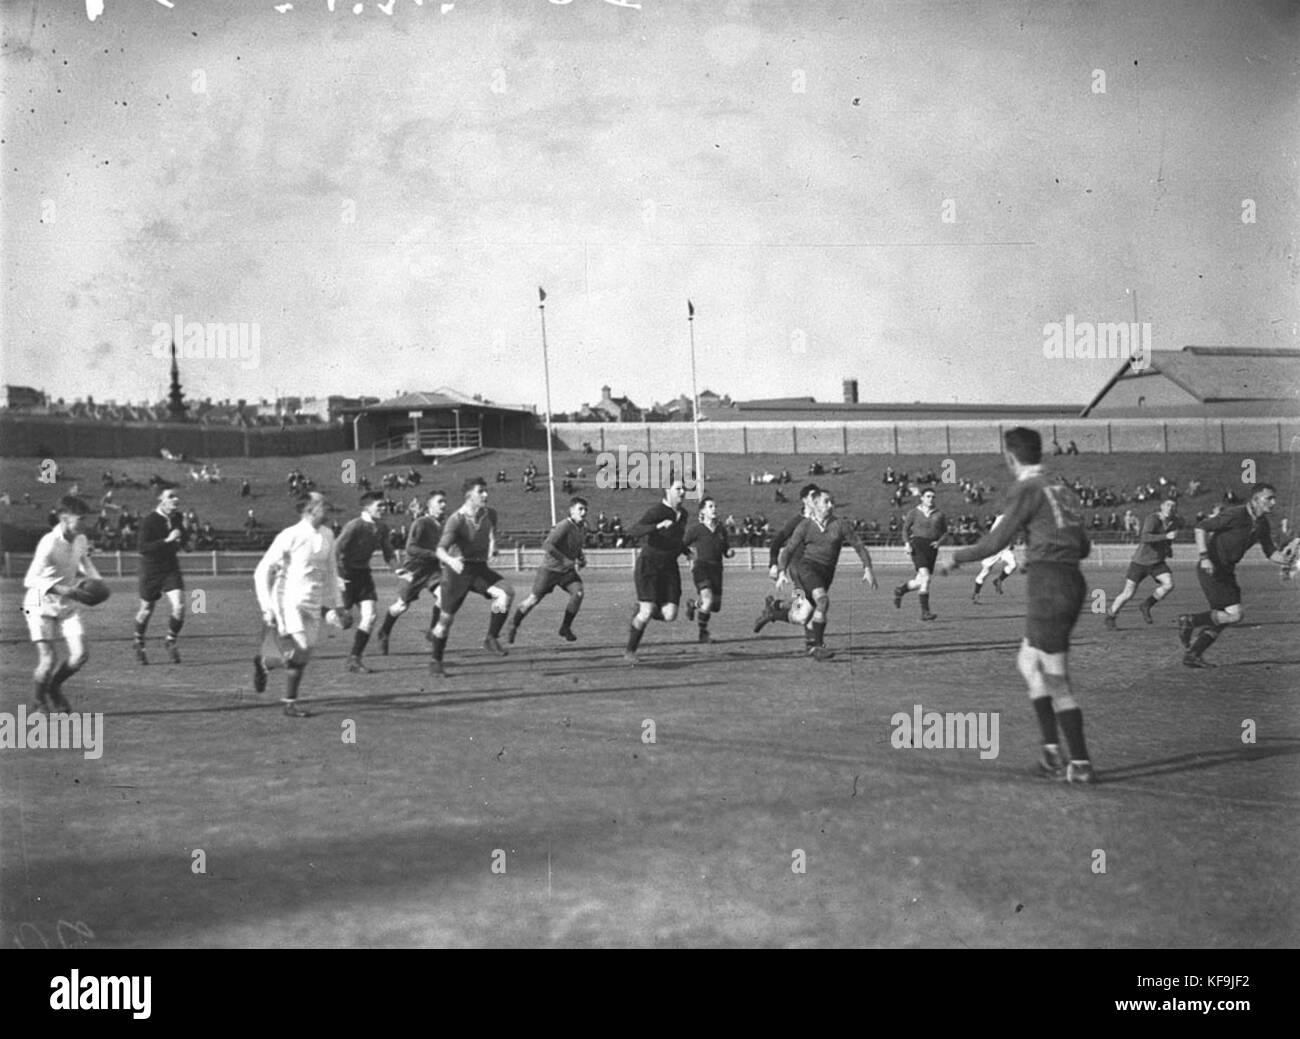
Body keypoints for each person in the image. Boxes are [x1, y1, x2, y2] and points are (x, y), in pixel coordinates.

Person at [937, 427, 1095, 784]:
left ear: (1010, 457)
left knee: (1057, 678)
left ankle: (1080, 762)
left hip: (1049, 586)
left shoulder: (1027, 488)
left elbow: (996, 541)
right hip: (1070, 581)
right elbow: (1083, 546)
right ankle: (1052, 751)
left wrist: (956, 557)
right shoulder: (1061, 489)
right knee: (1027, 662)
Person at [1178, 483, 1297, 668]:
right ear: (1256, 500)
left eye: (1274, 498)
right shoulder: (1236, 514)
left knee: (1222, 619)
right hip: (1212, 569)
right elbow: (1201, 527)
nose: (1273, 502)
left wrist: (1286, 560)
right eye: (1269, 498)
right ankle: (1190, 621)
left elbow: (1270, 551)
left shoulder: (1262, 524)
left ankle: (1193, 654)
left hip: (1227, 572)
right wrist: (1204, 557)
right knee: (1235, 615)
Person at [252, 492, 350, 718]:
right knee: (302, 647)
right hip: (289, 600)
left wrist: (339, 604)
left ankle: (264, 663)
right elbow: (262, 570)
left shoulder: (328, 534)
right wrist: (267, 607)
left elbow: (332, 570)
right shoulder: (290, 534)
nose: (329, 507)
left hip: (313, 602)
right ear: (310, 509)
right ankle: (290, 704)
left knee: (303, 654)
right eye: (323, 504)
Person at [429, 477, 516, 677]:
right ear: (469, 496)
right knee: (445, 621)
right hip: (457, 572)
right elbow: (440, 550)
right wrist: (452, 562)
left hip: (479, 569)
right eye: (481, 491)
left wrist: (493, 547)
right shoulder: (456, 520)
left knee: (506, 593)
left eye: (486, 491)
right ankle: (436, 660)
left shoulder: (490, 513)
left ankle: (491, 637)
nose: (486, 495)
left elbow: (492, 533)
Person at [23, 496, 103, 712]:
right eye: (81, 518)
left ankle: (54, 688)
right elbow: (29, 580)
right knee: (48, 660)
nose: (85, 523)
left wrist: (97, 583)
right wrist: (60, 588)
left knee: (80, 655)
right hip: (40, 604)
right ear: (64, 518)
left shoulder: (80, 540)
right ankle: (39, 700)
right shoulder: (49, 543)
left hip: (66, 603)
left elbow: (85, 562)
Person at [776, 490, 877, 660]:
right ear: (815, 505)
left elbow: (859, 546)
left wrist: (868, 568)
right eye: (826, 502)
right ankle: (818, 647)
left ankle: (774, 611)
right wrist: (781, 572)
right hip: (807, 568)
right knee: (822, 601)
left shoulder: (840, 525)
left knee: (803, 616)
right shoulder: (805, 526)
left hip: (827, 573)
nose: (831, 505)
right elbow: (788, 550)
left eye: (832, 502)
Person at [623, 478, 689, 664]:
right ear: (667, 490)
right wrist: (657, 526)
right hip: (649, 566)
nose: (682, 492)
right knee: (647, 611)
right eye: (678, 488)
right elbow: (634, 530)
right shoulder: (657, 511)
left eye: (683, 488)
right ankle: (630, 651)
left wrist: (688, 553)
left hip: (669, 569)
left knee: (670, 615)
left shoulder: (683, 514)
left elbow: (676, 539)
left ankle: (643, 609)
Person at [376, 489, 448, 654]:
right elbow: (411, 547)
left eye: (445, 501)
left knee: (445, 596)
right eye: (440, 502)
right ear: (430, 506)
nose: (444, 505)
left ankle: (432, 631)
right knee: (401, 606)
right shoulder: (421, 523)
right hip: (413, 571)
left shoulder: (441, 526)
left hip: (432, 571)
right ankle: (384, 632)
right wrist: (435, 554)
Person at [508, 497, 588, 644]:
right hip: (550, 570)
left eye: (585, 510)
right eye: (580, 509)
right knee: (533, 600)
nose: (583, 512)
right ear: (571, 511)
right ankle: (513, 624)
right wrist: (565, 560)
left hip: (567, 572)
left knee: (578, 593)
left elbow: (576, 546)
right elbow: (547, 545)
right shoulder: (564, 526)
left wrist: (581, 557)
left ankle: (565, 628)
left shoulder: (583, 527)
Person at [334, 490, 397, 673]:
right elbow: (336, 550)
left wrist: (398, 569)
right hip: (345, 576)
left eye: (384, 505)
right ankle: (323, 611)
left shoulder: (382, 528)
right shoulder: (354, 526)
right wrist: (339, 575)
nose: (384, 509)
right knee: (345, 622)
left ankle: (354, 659)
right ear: (367, 508)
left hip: (364, 576)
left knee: (370, 616)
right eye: (379, 506)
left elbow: (389, 552)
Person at [753, 483, 820, 634]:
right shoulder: (796, 522)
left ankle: (776, 606)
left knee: (802, 604)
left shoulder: (821, 521)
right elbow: (777, 542)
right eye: (812, 496)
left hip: (813, 570)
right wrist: (773, 564)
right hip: (799, 570)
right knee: (807, 608)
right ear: (804, 500)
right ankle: (813, 646)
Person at [1104, 498, 1179, 629]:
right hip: (1140, 562)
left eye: (1173, 506)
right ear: (1161, 506)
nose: (1170, 508)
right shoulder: (1153, 519)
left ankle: (1146, 605)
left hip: (1157, 563)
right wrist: (1166, 537)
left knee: (1169, 584)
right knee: (1128, 593)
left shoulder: (1175, 522)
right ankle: (1110, 616)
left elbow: (1168, 539)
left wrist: (1168, 548)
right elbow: (1145, 537)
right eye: (1167, 505)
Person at [133, 487, 187, 664]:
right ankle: (138, 641)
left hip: (170, 567)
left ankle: (171, 641)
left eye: (176, 497)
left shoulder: (177, 518)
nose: (175, 499)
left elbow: (182, 539)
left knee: (179, 605)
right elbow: (142, 548)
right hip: (151, 569)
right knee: (147, 609)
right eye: (170, 497)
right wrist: (167, 540)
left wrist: (183, 536)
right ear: (161, 500)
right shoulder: (149, 521)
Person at [683, 496, 734, 644]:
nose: (714, 509)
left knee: (714, 606)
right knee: (708, 599)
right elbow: (682, 544)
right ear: (703, 511)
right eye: (710, 506)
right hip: (701, 567)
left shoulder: (721, 530)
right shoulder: (696, 530)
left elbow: (725, 549)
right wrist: (690, 556)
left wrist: (729, 553)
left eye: (715, 506)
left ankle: (693, 604)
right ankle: (703, 634)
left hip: (717, 569)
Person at [893, 487, 948, 621]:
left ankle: (901, 590)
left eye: (933, 497)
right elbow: (905, 529)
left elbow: (945, 532)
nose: (931, 499)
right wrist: (907, 544)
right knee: (926, 577)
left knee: (920, 581)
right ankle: (925, 612)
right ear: (922, 498)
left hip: (932, 548)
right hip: (917, 545)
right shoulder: (914, 512)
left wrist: (939, 542)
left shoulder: (939, 514)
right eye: (928, 496)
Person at [970, 514, 1019, 602]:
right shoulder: (1001, 518)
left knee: (1013, 565)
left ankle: (998, 580)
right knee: (985, 572)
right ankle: (976, 593)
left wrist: (1011, 542)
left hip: (1004, 549)